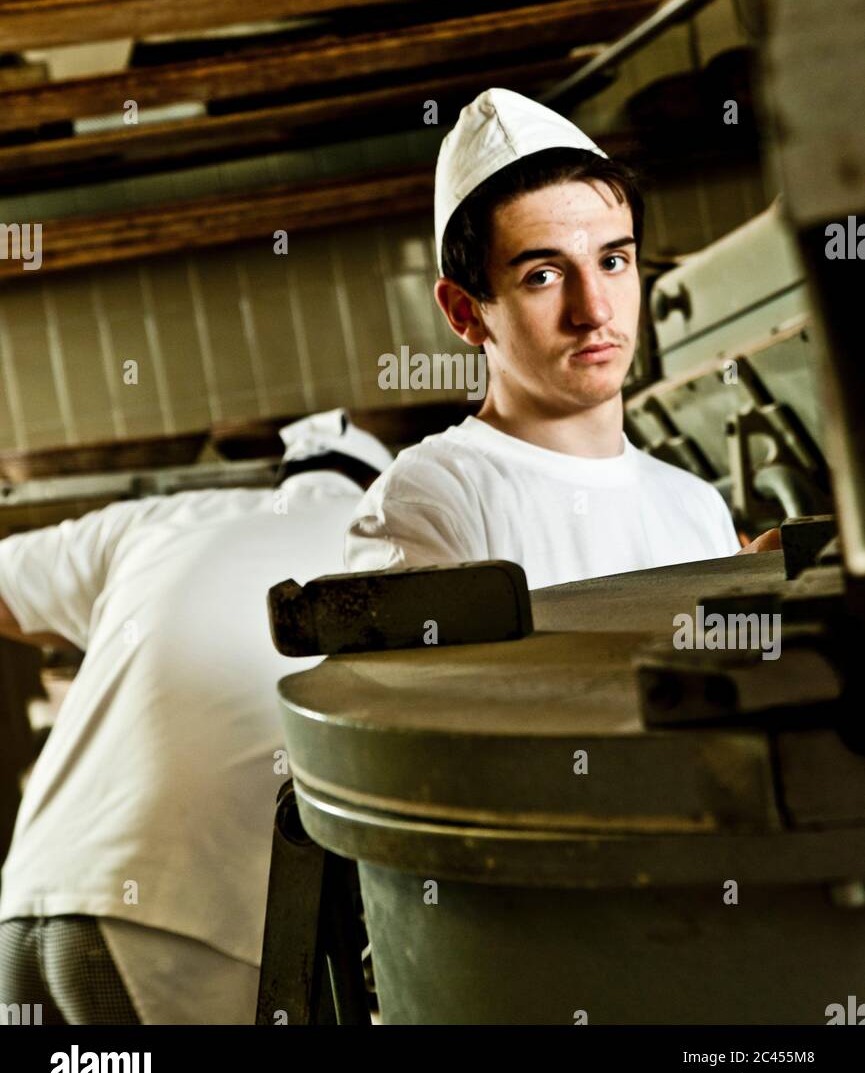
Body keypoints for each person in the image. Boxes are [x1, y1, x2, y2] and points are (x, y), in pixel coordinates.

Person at [0, 410, 391, 1025]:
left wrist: (108, 622)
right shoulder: (391, 543)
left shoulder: (169, 518)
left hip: (30, 892)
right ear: (381, 481)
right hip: (174, 921)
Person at [346, 87, 779, 588]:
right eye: (543, 276)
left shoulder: (696, 505)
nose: (594, 310)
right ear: (465, 311)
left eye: (613, 262)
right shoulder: (431, 500)